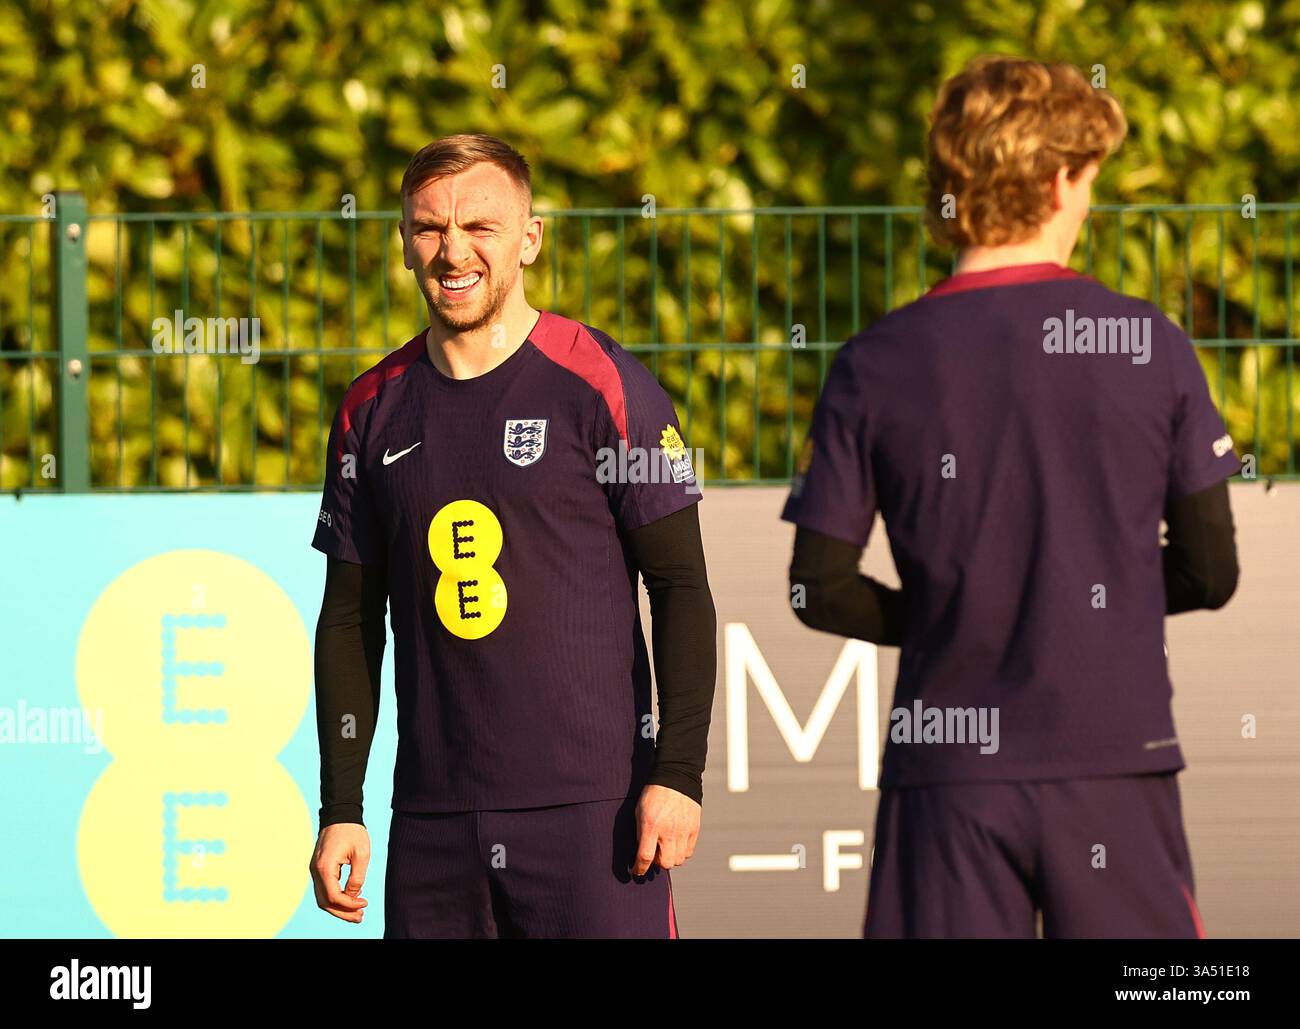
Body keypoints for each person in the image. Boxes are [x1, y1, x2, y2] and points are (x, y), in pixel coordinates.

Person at [782, 57, 1239, 939]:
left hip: (946, 773)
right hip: (1114, 766)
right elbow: (1212, 570)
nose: (1088, 202)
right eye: (1089, 179)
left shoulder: (875, 360)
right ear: (1057, 177)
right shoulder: (1149, 342)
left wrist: (958, 611)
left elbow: (818, 586)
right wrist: (1090, 595)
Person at [308, 133, 716, 938]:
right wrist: (342, 805)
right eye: (428, 228)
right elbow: (350, 619)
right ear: (402, 241)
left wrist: (678, 774)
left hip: (596, 822)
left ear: (530, 238)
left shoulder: (602, 384)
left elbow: (681, 589)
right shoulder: (369, 410)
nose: (451, 251)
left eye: (479, 227)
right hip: (433, 825)